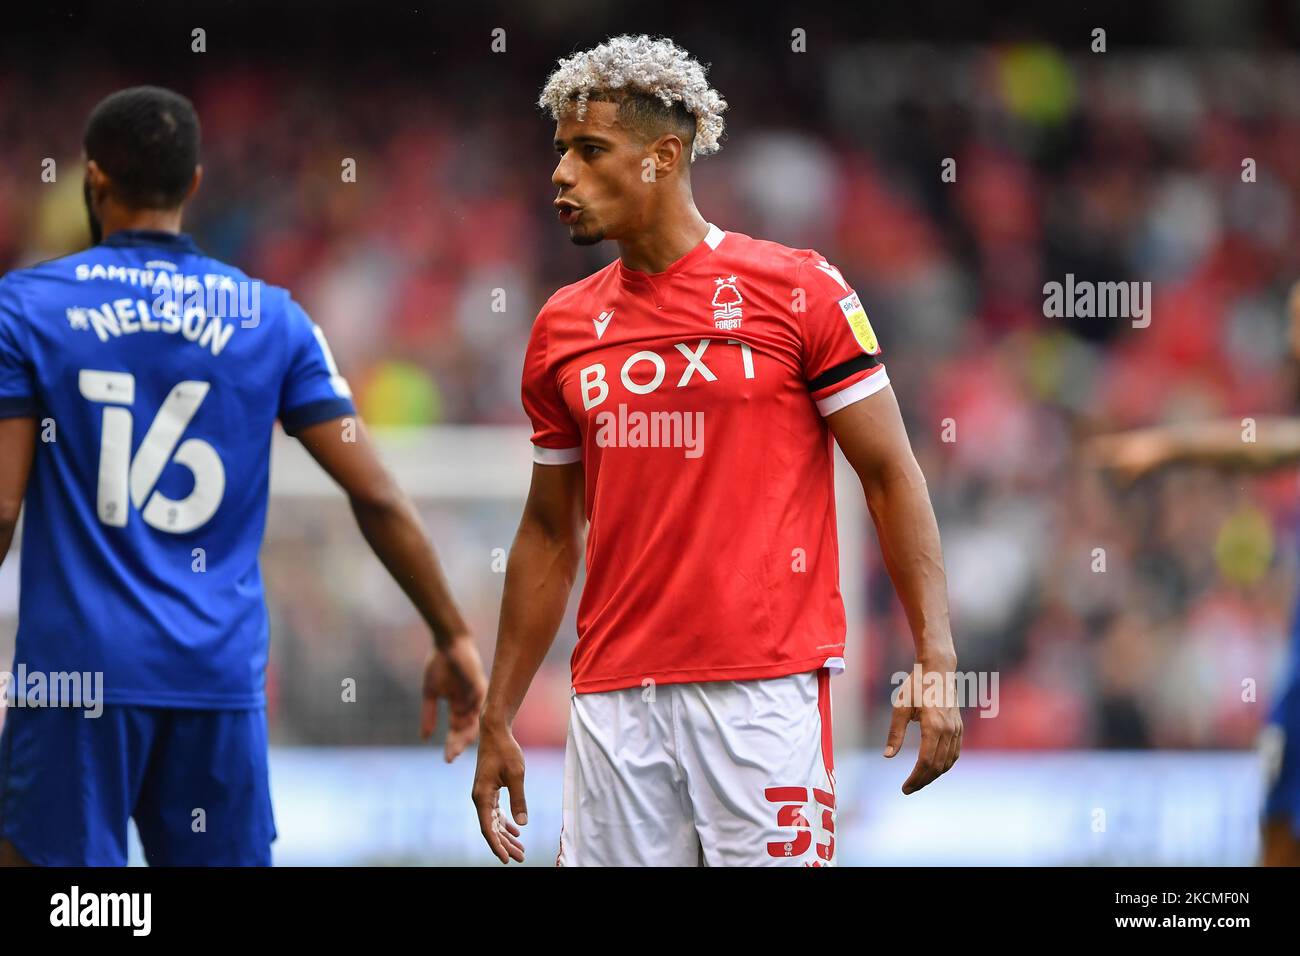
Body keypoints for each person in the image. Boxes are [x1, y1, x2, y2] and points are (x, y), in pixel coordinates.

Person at [471, 35, 961, 867]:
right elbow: (550, 534)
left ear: (664, 157)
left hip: (761, 694)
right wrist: (498, 713)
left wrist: (936, 655)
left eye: (590, 152)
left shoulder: (799, 291)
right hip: (612, 701)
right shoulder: (561, 327)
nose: (562, 174)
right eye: (561, 152)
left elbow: (889, 474)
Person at [0, 85, 485, 866]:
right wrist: (452, 631)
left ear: (93, 179)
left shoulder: (25, 309)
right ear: (194, 184)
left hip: (74, 676)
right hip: (213, 678)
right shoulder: (273, 318)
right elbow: (375, 492)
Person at [1090, 281, 1300, 868]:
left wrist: (1166, 448)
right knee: (1278, 827)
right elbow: (1265, 447)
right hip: (1295, 685)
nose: (1289, 341)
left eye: (1298, 321)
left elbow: (1267, 448)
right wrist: (1165, 449)